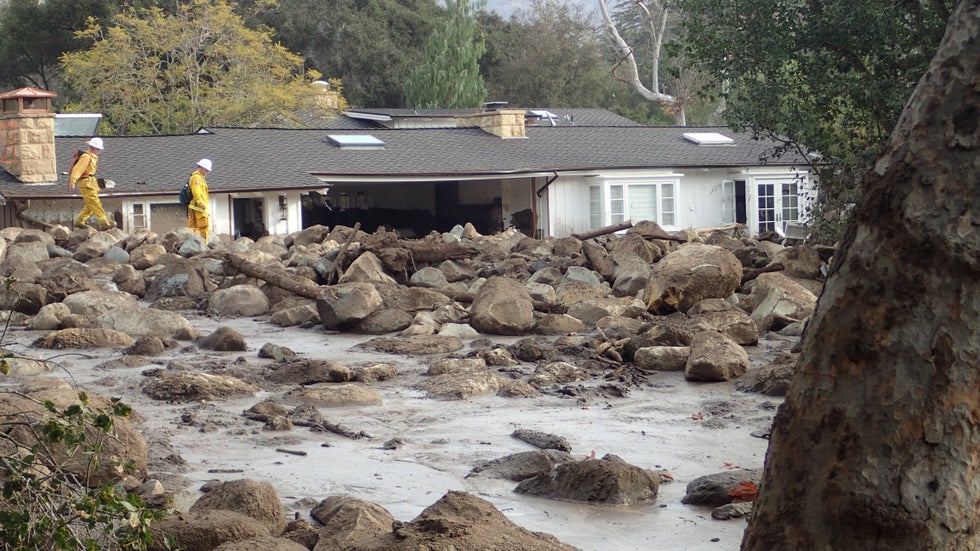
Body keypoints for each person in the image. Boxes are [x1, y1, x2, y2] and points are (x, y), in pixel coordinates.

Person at [68, 137, 115, 230]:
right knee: (95, 203)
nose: (99, 151)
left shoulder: (92, 156)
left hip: (90, 182)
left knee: (90, 204)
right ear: (93, 147)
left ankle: (79, 221)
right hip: (86, 183)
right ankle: (104, 224)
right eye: (98, 149)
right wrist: (72, 182)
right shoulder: (86, 156)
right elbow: (77, 170)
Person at [188, 158, 212, 240]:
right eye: (206, 170)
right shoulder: (196, 178)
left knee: (203, 228)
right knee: (200, 228)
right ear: (201, 167)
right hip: (198, 208)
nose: (207, 172)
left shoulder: (199, 178)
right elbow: (196, 193)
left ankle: (203, 245)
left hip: (200, 208)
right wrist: (201, 204)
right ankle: (201, 247)